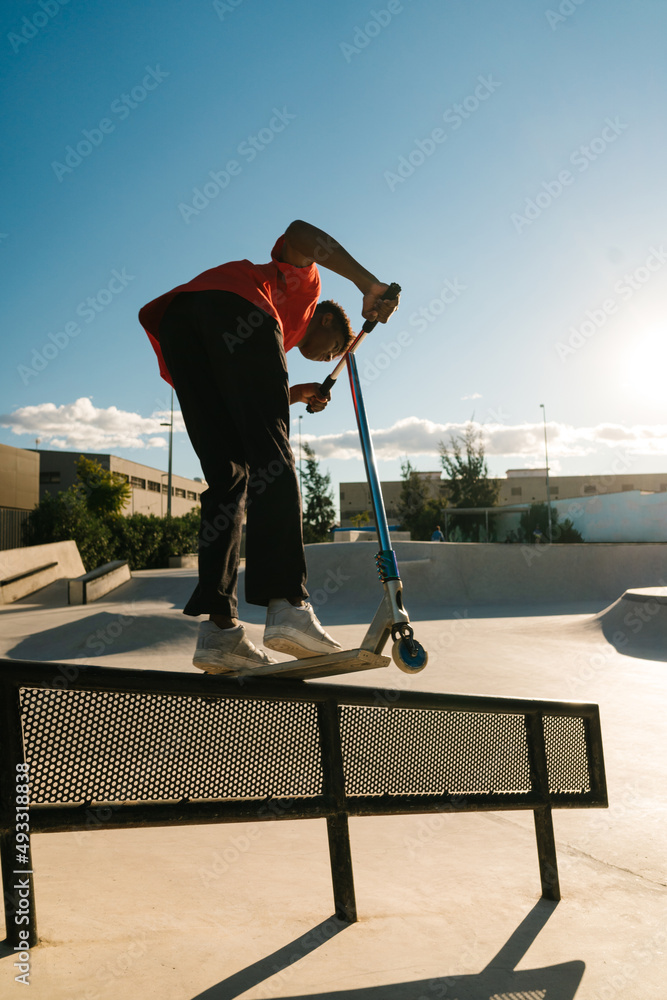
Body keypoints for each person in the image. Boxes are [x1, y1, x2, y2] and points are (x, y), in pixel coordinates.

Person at [138, 220, 399, 673]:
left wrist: (295, 394)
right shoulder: (304, 292)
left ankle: (220, 631)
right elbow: (300, 233)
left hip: (182, 327)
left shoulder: (277, 334)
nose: (325, 358)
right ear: (321, 317)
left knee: (229, 478)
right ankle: (288, 606)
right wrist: (368, 283)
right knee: (274, 461)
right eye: (332, 346)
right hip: (234, 307)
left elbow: (247, 396)